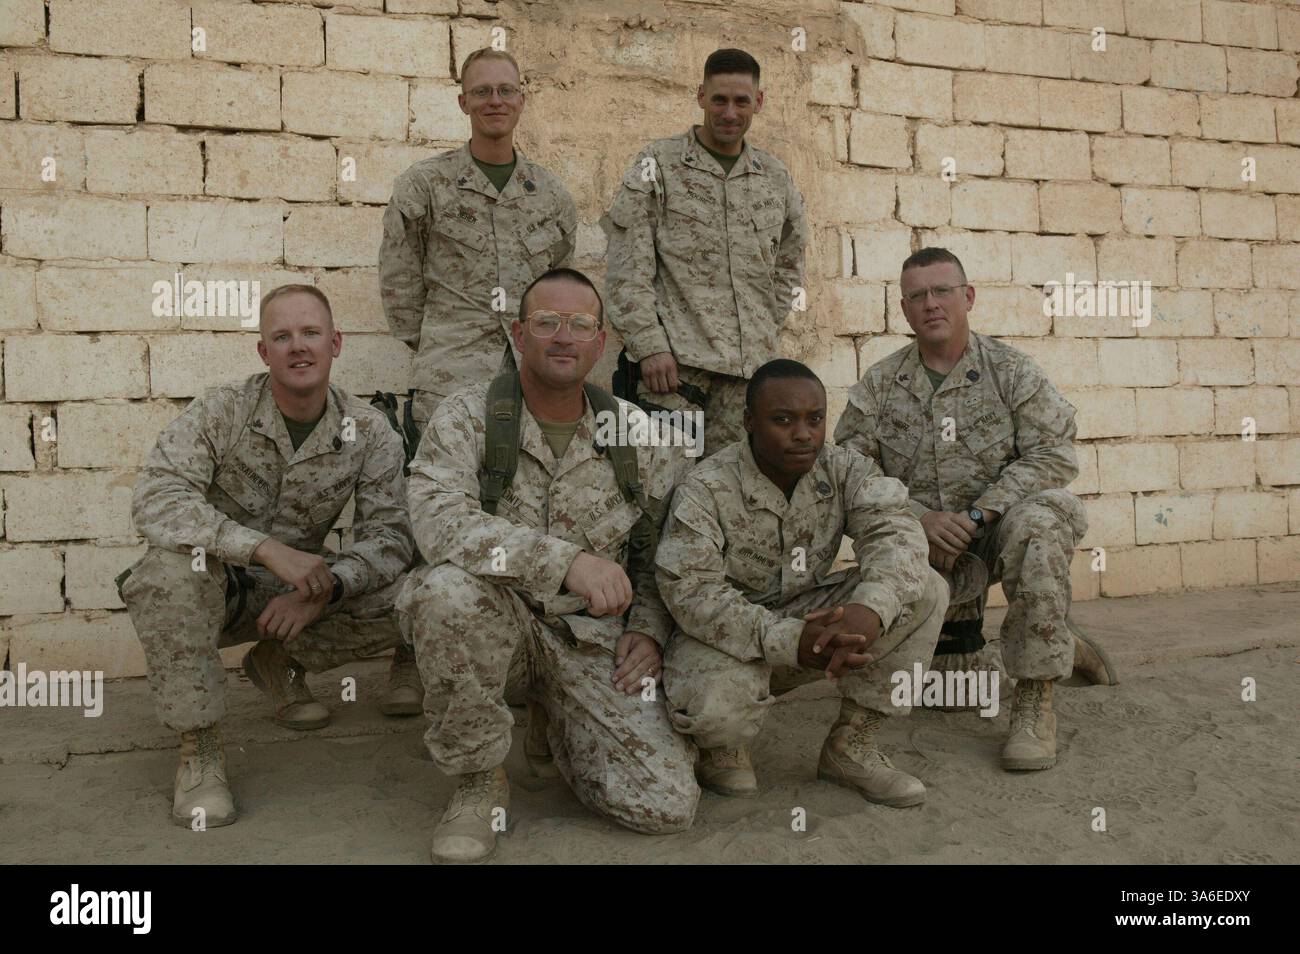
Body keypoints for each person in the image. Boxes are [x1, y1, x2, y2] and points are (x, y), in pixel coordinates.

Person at [397, 268, 699, 863]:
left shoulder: (638, 435)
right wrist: (564, 562)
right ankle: (479, 779)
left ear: (602, 340)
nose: (564, 337)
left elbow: (665, 554)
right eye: (547, 322)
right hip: (494, 626)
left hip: (588, 640)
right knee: (446, 592)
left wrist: (648, 629)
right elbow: (438, 523)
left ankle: (552, 720)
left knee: (664, 806)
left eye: (580, 324)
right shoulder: (466, 419)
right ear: (518, 333)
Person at [120, 284, 416, 827]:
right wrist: (261, 548)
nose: (297, 347)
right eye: (281, 336)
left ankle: (278, 662)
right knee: (163, 572)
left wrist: (329, 585)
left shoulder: (369, 430)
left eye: (311, 333)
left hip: (299, 592)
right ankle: (201, 750)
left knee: (418, 591)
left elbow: (390, 536)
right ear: (263, 352)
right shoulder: (223, 409)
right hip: (218, 588)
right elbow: (157, 499)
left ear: (336, 343)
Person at [834, 247, 1115, 773]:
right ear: (904, 308)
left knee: (1040, 522)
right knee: (947, 688)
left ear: (968, 297)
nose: (930, 304)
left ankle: (1034, 701)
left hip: (992, 531)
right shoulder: (878, 384)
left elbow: (1056, 453)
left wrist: (982, 512)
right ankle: (1057, 641)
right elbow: (850, 471)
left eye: (942, 291)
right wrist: (919, 516)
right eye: (916, 295)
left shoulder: (1012, 372)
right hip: (920, 542)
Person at [656, 359, 948, 806]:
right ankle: (721, 748)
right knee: (713, 710)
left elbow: (897, 532)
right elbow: (693, 596)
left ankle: (852, 746)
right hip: (727, 635)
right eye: (783, 420)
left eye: (814, 419)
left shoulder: (845, 468)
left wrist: (871, 607)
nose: (803, 434)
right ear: (749, 422)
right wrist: (789, 639)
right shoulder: (706, 487)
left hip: (814, 621)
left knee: (926, 588)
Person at [602, 48, 806, 456]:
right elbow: (628, 265)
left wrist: (762, 327)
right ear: (700, 96)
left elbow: (789, 266)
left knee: (730, 498)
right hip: (673, 375)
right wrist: (649, 345)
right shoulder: (657, 164)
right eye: (719, 100)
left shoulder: (775, 177)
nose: (730, 112)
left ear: (758, 102)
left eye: (741, 101)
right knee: (658, 493)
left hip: (748, 379)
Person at [379, 47, 577, 430]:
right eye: (482, 92)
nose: (495, 101)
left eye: (506, 90)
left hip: (534, 378)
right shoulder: (425, 185)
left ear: (522, 99)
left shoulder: (551, 195)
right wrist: (439, 346)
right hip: (448, 381)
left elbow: (561, 285)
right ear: (463, 102)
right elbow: (398, 281)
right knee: (444, 486)